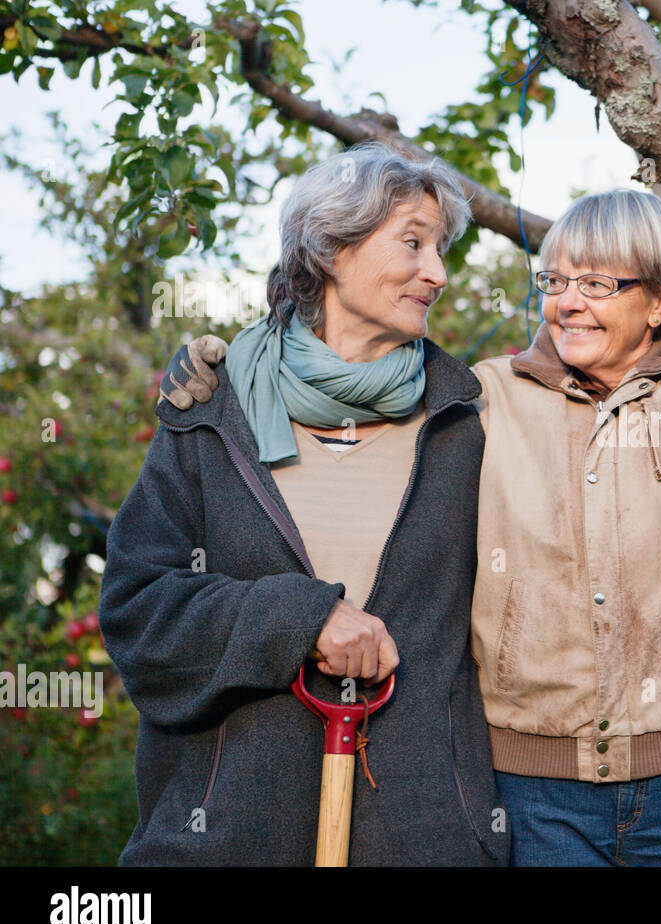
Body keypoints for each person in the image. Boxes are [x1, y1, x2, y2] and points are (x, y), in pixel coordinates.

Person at [161, 109, 661, 866]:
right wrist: (218, 376)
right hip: (533, 794)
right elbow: (346, 367)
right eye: (556, 280)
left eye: (598, 282)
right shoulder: (477, 397)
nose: (567, 302)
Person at [100, 142, 508, 865]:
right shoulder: (210, 412)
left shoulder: (464, 424)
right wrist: (298, 617)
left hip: (424, 842)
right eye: (413, 243)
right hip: (226, 843)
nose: (438, 274)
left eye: (441, 249)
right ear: (332, 247)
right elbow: (139, 611)